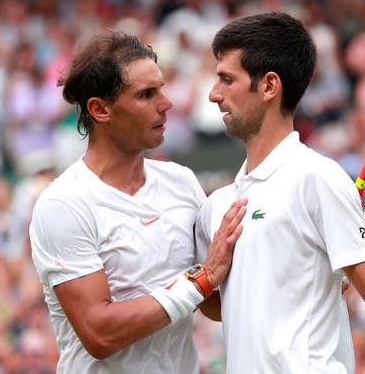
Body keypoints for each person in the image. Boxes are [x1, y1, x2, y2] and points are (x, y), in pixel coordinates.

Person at [195, 11, 365, 373]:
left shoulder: (316, 178)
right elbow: (225, 307)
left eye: (226, 79)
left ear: (269, 86)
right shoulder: (217, 205)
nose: (213, 94)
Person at [28, 31, 247, 374]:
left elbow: (213, 304)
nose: (166, 103)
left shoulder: (182, 182)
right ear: (100, 110)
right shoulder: (63, 204)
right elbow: (99, 333)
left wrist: (299, 279)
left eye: (161, 88)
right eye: (147, 95)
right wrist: (202, 279)